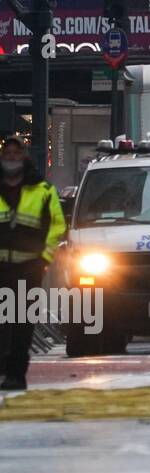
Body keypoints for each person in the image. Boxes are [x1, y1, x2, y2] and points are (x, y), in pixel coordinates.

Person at [0, 136, 66, 391]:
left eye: (17, 154)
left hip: (28, 268)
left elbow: (57, 226)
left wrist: (44, 259)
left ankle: (16, 375)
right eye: (8, 154)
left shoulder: (43, 190)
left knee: (21, 324)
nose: (12, 158)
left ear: (25, 156)